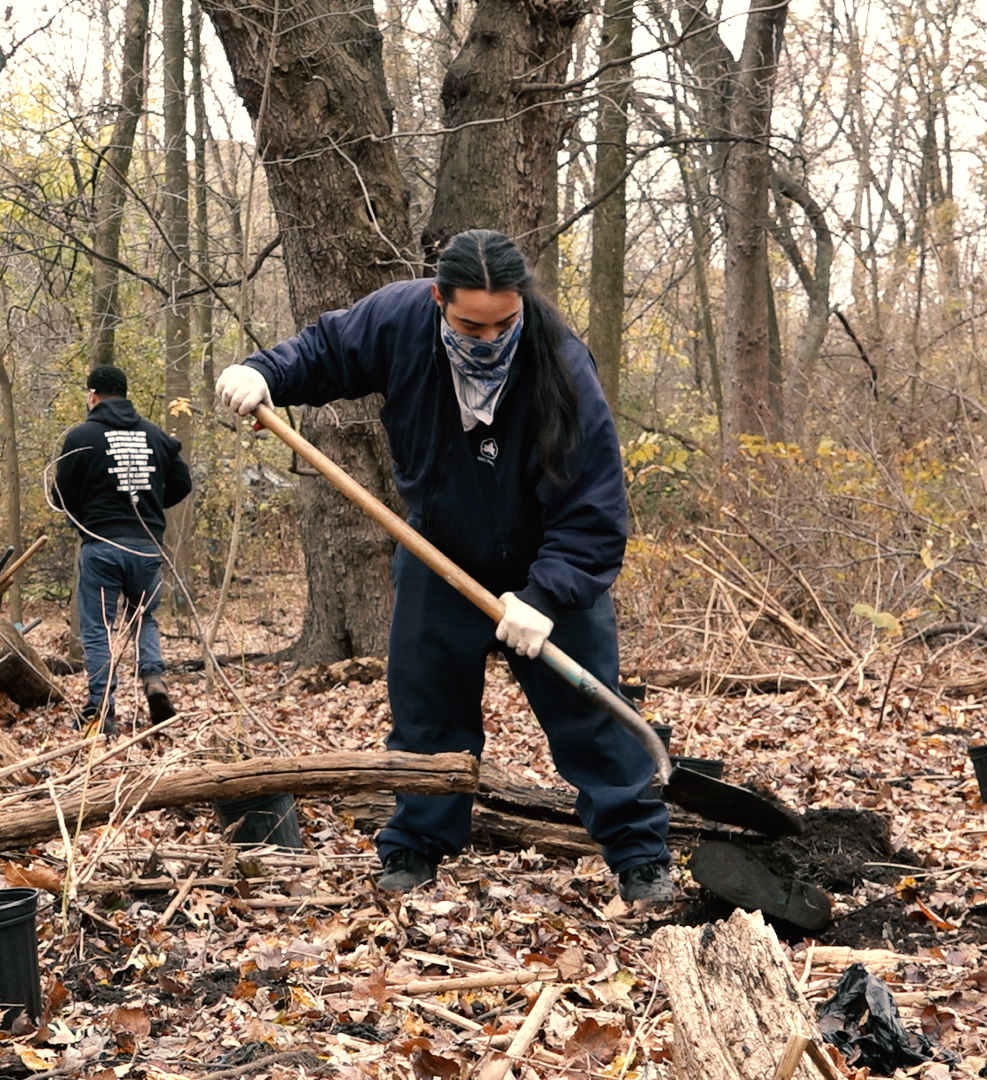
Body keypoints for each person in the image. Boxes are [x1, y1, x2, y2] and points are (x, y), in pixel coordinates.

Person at [213, 229, 676, 904]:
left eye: (503, 323)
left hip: (548, 563)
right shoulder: (399, 321)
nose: (488, 340)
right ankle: (415, 849)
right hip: (439, 552)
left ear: (522, 303)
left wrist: (542, 596)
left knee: (591, 713)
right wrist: (265, 373)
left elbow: (595, 512)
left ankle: (639, 855)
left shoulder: (562, 367)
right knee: (427, 712)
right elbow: (324, 351)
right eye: (470, 324)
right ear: (438, 299)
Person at [50, 364, 193, 731]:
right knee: (144, 615)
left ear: (92, 396)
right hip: (146, 546)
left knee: (98, 628)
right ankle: (154, 679)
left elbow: (60, 495)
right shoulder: (155, 435)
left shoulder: (81, 436)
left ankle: (101, 708)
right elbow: (182, 482)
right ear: (125, 395)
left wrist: (82, 514)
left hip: (101, 546)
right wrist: (151, 501)